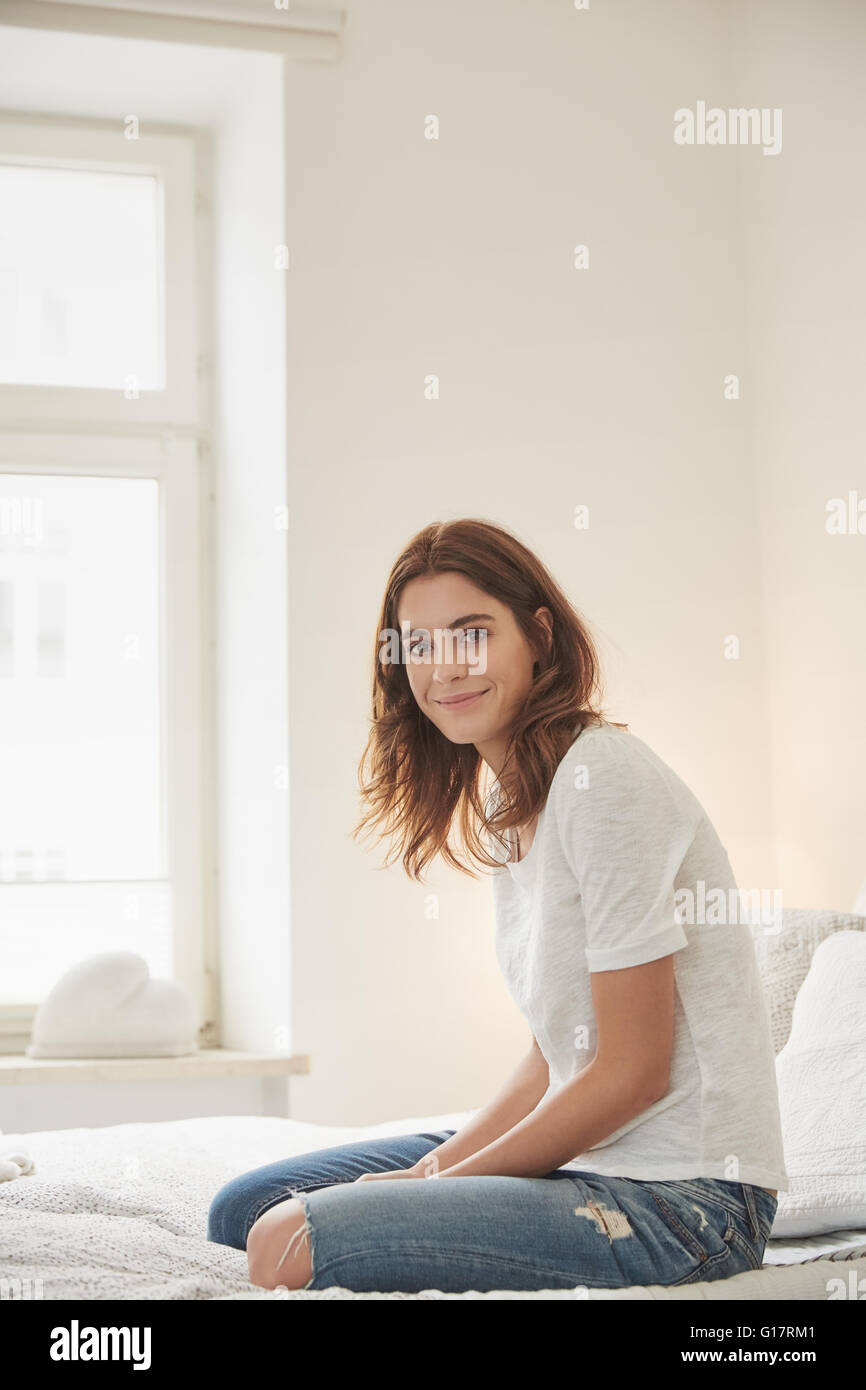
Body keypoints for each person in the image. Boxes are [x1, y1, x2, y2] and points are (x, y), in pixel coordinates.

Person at [207, 517, 787, 1294]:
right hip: (596, 1165)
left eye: (472, 634)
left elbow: (631, 1073)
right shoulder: (521, 799)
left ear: (539, 635)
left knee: (285, 1239)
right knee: (245, 1208)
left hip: (684, 1202)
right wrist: (431, 1170)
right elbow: (558, 1055)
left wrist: (431, 1188)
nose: (445, 669)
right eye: (420, 645)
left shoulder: (603, 779)